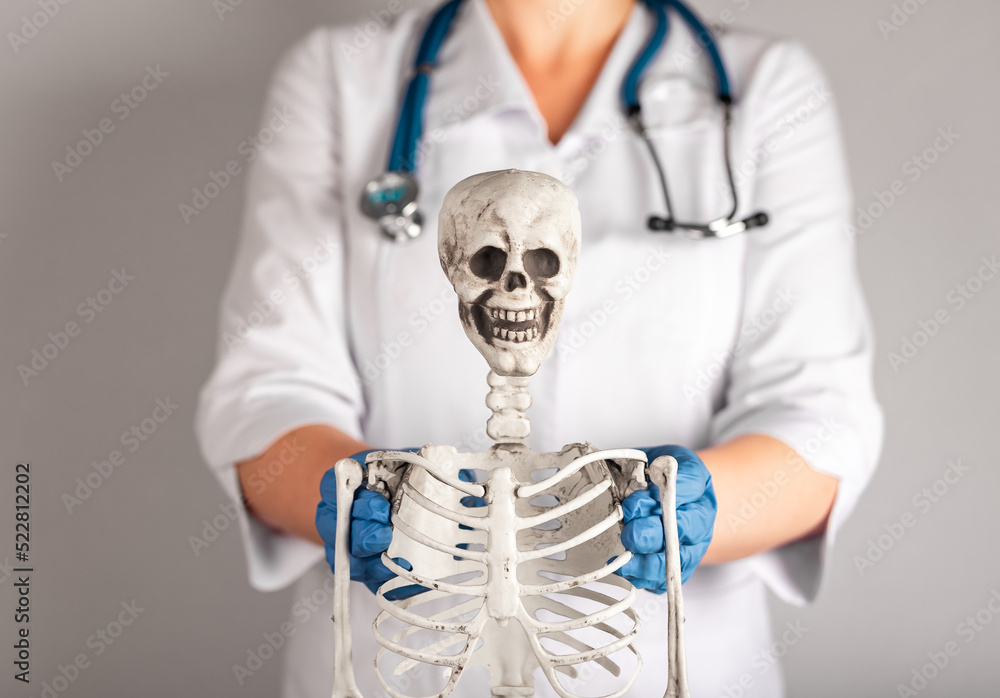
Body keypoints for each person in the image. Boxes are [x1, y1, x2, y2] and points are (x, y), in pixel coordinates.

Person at [195, 0, 883, 696]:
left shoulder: (761, 86)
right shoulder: (343, 76)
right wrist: (349, 497)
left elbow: (820, 416)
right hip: (392, 674)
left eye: (541, 265)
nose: (517, 288)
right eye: (489, 262)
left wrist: (689, 512)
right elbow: (267, 392)